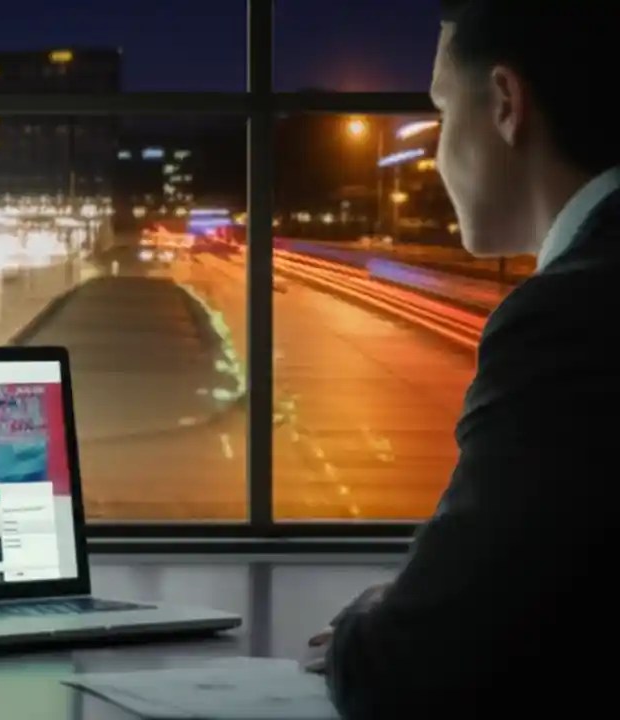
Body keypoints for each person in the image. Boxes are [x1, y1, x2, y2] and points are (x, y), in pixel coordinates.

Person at [304, 0, 620, 716]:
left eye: (444, 112)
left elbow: (413, 666)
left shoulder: (568, 319)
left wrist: (372, 619)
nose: (439, 150)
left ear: (507, 105)